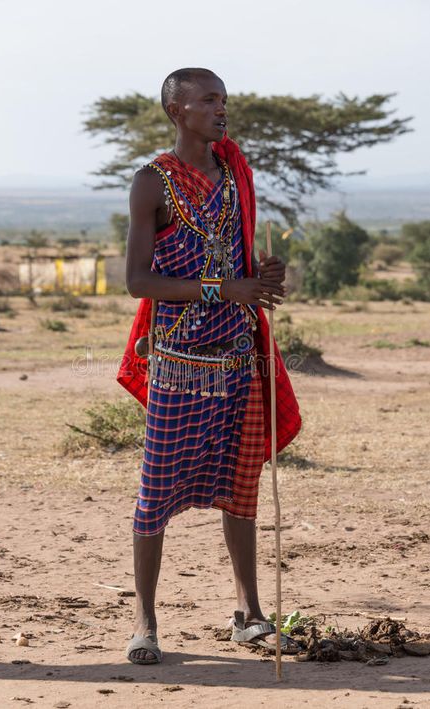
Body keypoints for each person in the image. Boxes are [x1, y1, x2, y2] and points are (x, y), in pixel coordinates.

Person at [117, 68, 301, 664]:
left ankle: (248, 614)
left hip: (239, 358)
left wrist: (260, 277)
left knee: (241, 490)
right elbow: (138, 281)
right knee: (156, 495)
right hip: (179, 362)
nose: (222, 109)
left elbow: (238, 257)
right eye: (208, 100)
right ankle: (145, 622)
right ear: (177, 110)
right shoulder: (153, 183)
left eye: (224, 99)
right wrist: (228, 289)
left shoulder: (235, 175)